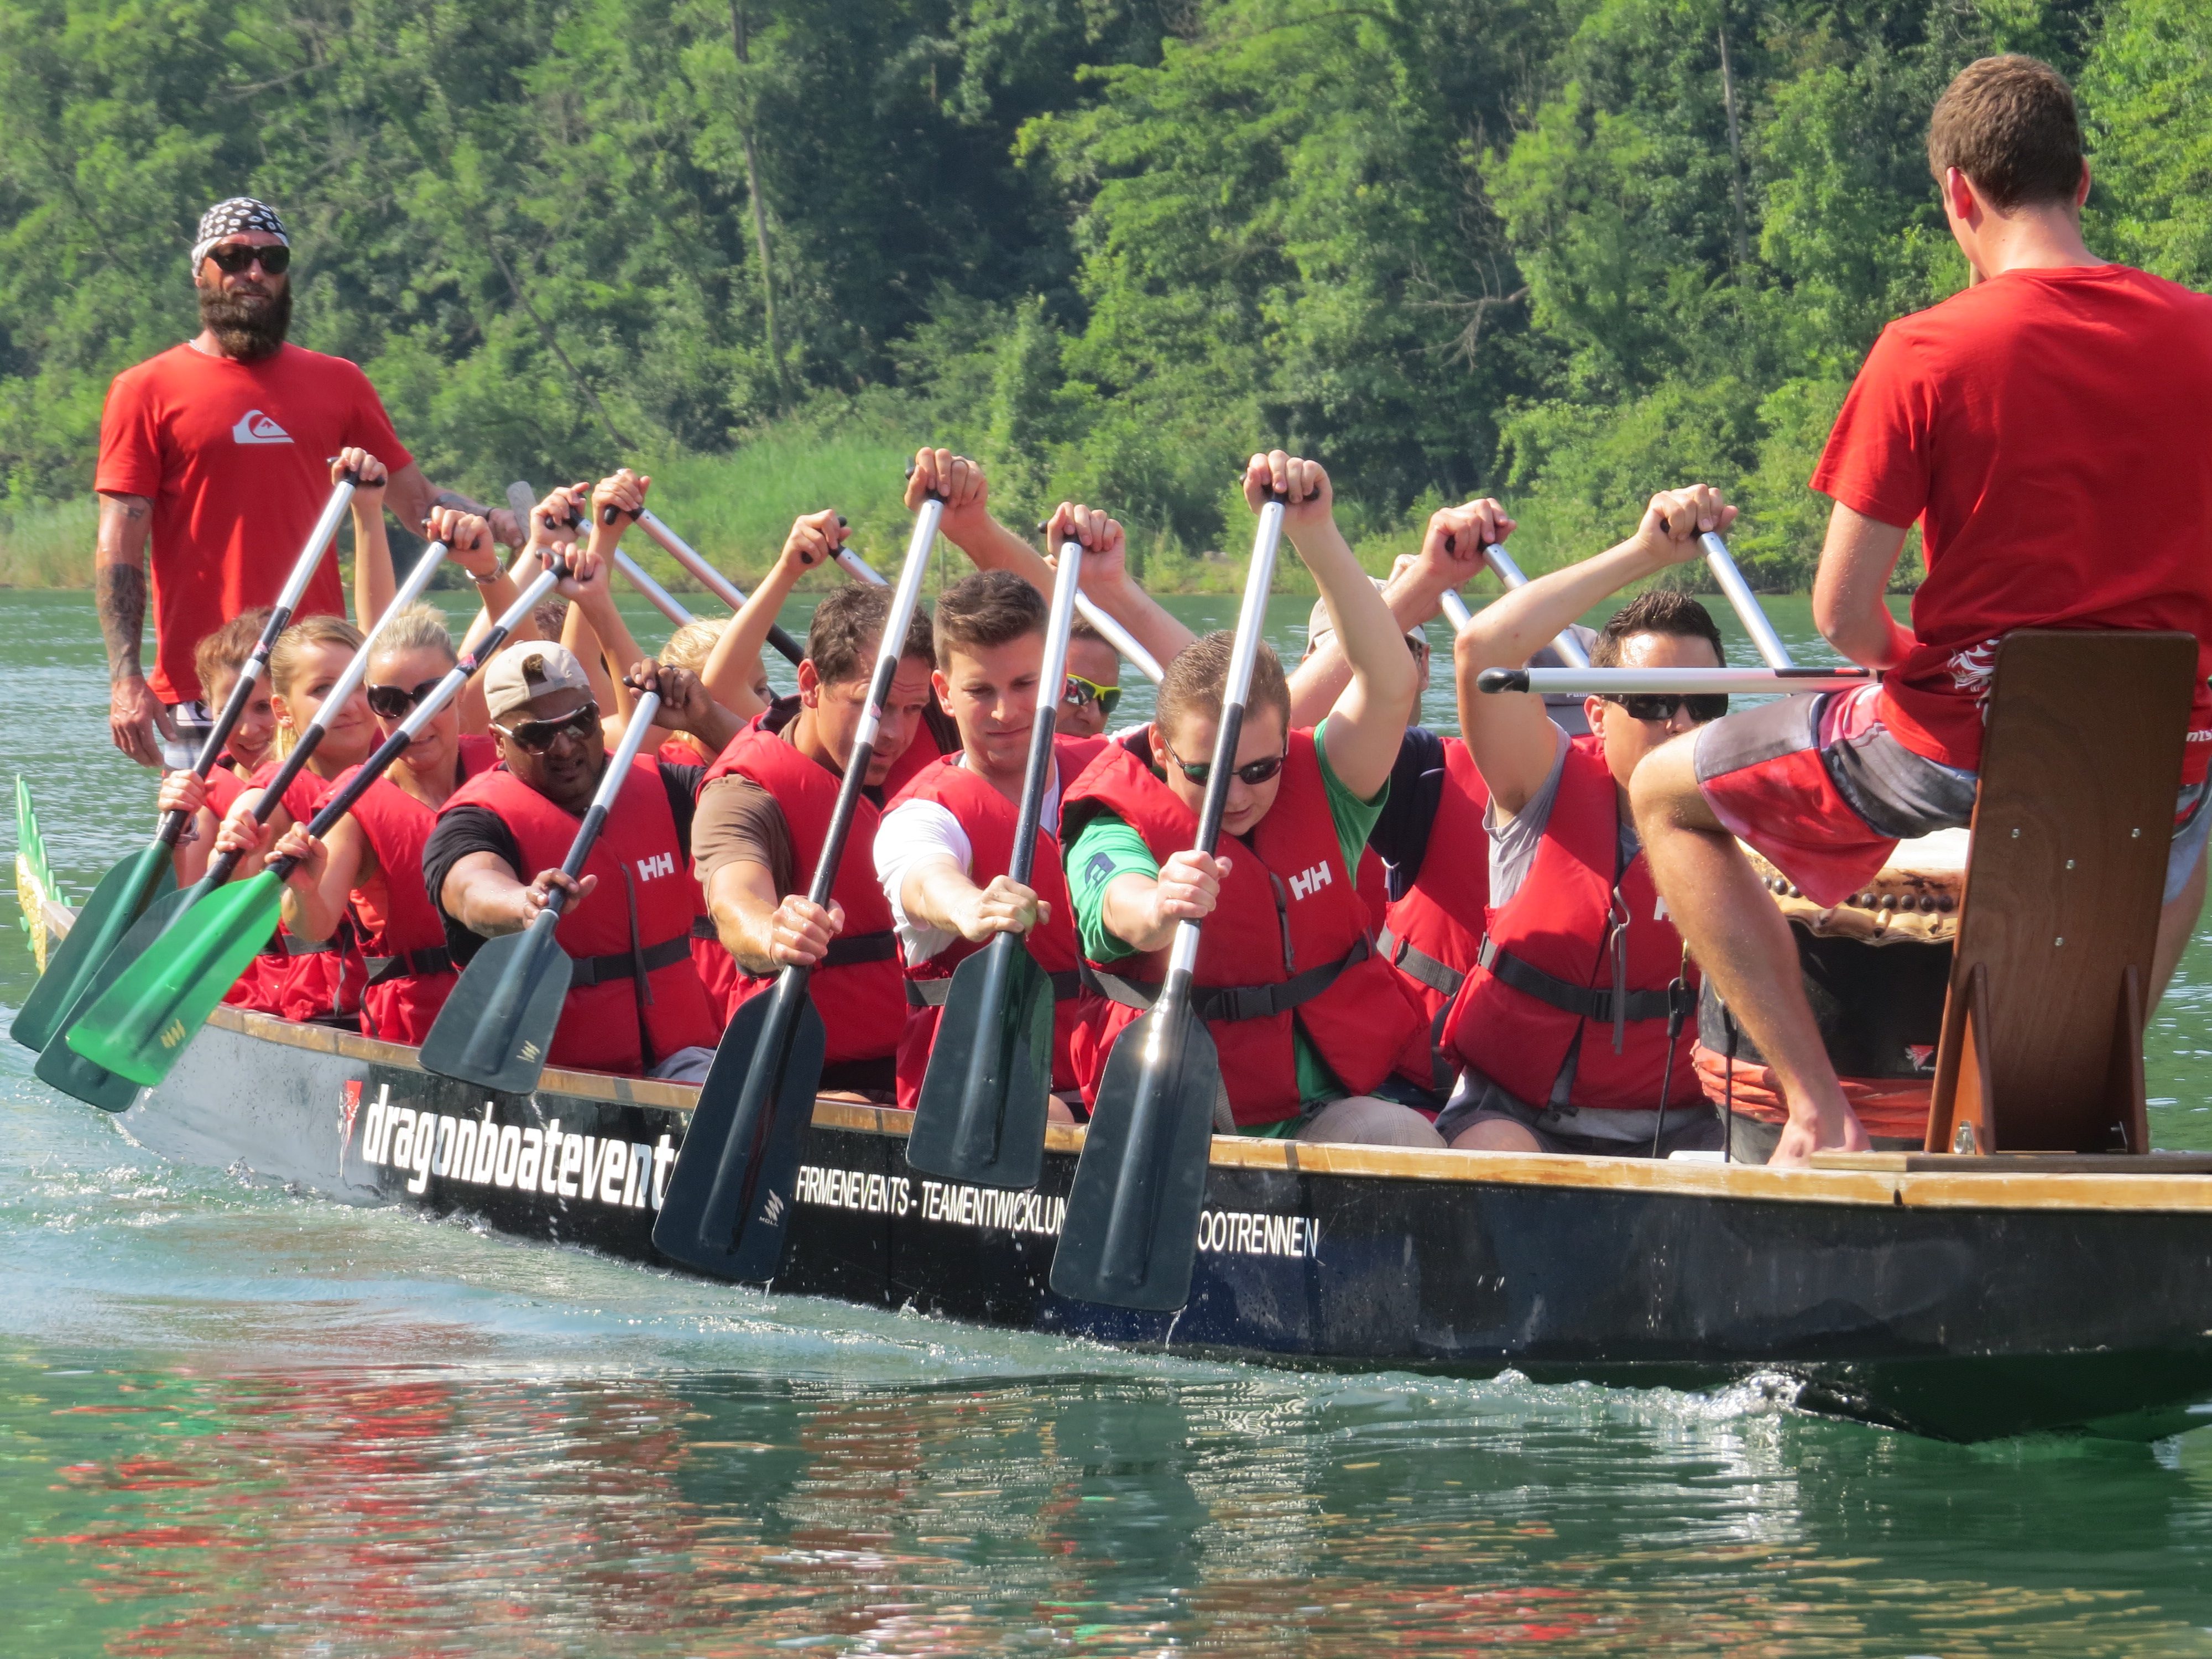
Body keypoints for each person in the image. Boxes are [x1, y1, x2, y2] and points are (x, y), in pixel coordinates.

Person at [1630, 55, 2212, 1165]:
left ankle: (1814, 1108)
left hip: (1956, 748)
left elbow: (1843, 613)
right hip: (2163, 760)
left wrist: (1906, 661)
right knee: (2189, 799)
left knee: (1664, 794)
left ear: (1955, 193)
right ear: (2080, 183)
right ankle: (2083, 1109)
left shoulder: (1927, 350)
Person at [1060, 451, 1439, 1145]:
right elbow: (1116, 907)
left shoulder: (1325, 783)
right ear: (1162, 750)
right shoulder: (1112, 817)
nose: (1236, 795)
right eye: (1206, 773)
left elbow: (1388, 682)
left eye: (1260, 770)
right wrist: (1158, 906)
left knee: (1406, 1139)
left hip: (1322, 1111)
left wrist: (1315, 530)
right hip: (1176, 1120)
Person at [95, 196, 518, 769]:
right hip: (208, 689)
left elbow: (418, 502)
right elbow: (119, 548)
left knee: (328, 847)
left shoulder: (338, 382)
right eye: (234, 257)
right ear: (201, 271)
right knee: (216, 846)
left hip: (319, 682)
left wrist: (494, 521)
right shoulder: (146, 390)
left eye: (272, 259)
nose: (254, 272)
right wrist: (126, 678)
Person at [1437, 488, 1738, 1157]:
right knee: (1498, 1160)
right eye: (1654, 701)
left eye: (1702, 701)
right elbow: (1483, 647)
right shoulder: (1538, 787)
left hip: (1687, 1125)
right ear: (1598, 715)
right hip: (1521, 1118)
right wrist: (1645, 553)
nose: (1681, 722)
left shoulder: (1745, 810)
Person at [1285, 504, 1601, 1086]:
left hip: (1563, 1073)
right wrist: (1422, 587)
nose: (1379, 677)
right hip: (1415, 1065)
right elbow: (1277, 735)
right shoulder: (1409, 774)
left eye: (1399, 652)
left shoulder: (1657, 795)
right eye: (1351, 658)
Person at [207, 514, 530, 1044]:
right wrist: (292, 881)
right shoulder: (347, 801)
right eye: (390, 701)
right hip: (391, 1024)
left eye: (431, 696)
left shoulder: (503, 761)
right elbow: (310, 924)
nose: (415, 716)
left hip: (512, 1012)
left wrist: (494, 567)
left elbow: (523, 658)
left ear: (456, 694)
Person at [423, 639, 740, 1081]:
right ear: (498, 741)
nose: (564, 747)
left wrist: (705, 720)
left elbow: (774, 787)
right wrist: (524, 902)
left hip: (684, 1060)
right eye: (537, 735)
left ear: (598, 714)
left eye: (580, 723)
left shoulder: (665, 788)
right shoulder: (474, 822)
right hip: (549, 1079)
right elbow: (469, 886)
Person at [874, 568, 1109, 1115]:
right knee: (1045, 1115)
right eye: (980, 691)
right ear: (944, 694)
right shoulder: (921, 816)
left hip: (1112, 1089)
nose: (1004, 712)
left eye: (1024, 685)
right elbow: (924, 877)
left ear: (1056, 681)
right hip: (982, 1104)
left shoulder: (1113, 770)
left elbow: (1219, 715)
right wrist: (971, 906)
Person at [692, 581, 938, 1098]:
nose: (894, 733)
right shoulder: (742, 793)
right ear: (809, 684)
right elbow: (735, 898)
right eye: (873, 706)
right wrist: (774, 933)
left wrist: (975, 529)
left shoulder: (936, 727)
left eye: (912, 710)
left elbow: (1019, 658)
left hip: (931, 1064)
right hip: (810, 1076)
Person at [903, 448, 1197, 732]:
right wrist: (973, 528)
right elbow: (1042, 609)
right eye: (1074, 691)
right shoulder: (970, 721)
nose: (1092, 715)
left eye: (1108, 699)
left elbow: (1226, 698)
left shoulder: (1120, 759)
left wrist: (1111, 589)